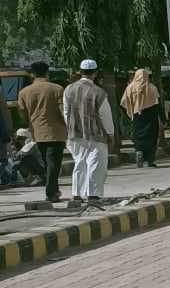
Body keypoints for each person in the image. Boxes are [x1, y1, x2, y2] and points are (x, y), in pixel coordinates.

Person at [61, 60, 115, 208]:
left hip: (75, 134)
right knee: (95, 164)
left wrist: (71, 128)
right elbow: (105, 115)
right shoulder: (99, 92)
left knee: (80, 162)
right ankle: (93, 195)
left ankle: (77, 194)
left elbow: (66, 112)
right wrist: (110, 133)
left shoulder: (68, 90)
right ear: (95, 73)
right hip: (96, 134)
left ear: (80, 72)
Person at [17, 61, 65, 205]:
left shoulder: (24, 92)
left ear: (32, 74)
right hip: (56, 132)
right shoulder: (57, 89)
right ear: (47, 72)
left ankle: (53, 191)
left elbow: (22, 112)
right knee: (53, 163)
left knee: (47, 160)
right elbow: (63, 111)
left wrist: (30, 122)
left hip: (37, 132)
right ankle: (51, 193)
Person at [121, 68, 163, 169]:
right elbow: (157, 104)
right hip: (151, 117)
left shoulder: (130, 87)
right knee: (151, 137)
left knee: (138, 136)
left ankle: (139, 151)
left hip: (137, 117)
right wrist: (162, 119)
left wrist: (130, 112)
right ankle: (149, 161)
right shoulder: (152, 88)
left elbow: (124, 103)